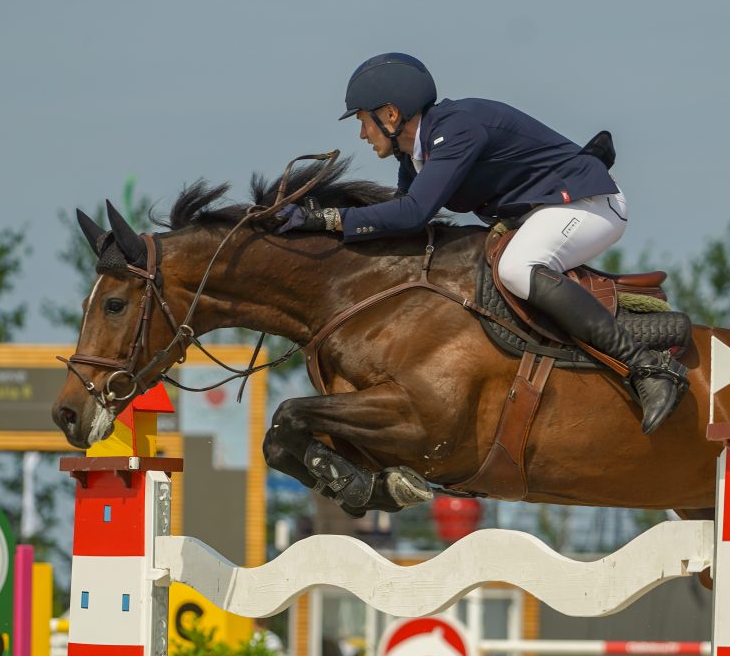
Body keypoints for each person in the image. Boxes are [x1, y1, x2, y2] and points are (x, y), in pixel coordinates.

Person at [281, 53, 687, 433]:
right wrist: (321, 224)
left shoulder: (456, 128)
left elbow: (414, 213)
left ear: (390, 114)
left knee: (517, 268)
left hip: (590, 204)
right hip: (543, 211)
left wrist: (328, 219)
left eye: (364, 120)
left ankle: (646, 367)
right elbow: (402, 218)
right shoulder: (415, 154)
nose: (362, 132)